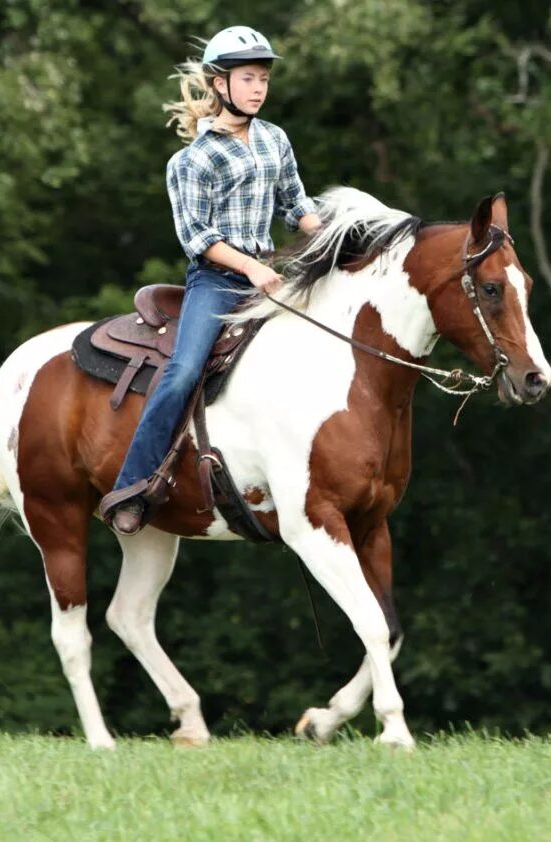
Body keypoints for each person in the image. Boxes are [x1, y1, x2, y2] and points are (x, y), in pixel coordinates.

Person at [99, 25, 322, 536]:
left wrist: (338, 237)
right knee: (182, 373)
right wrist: (251, 267)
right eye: (248, 78)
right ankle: (134, 485)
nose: (259, 88)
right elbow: (197, 237)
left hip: (271, 277)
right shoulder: (191, 160)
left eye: (263, 78)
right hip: (219, 282)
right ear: (220, 85)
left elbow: (297, 205)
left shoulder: (275, 139)